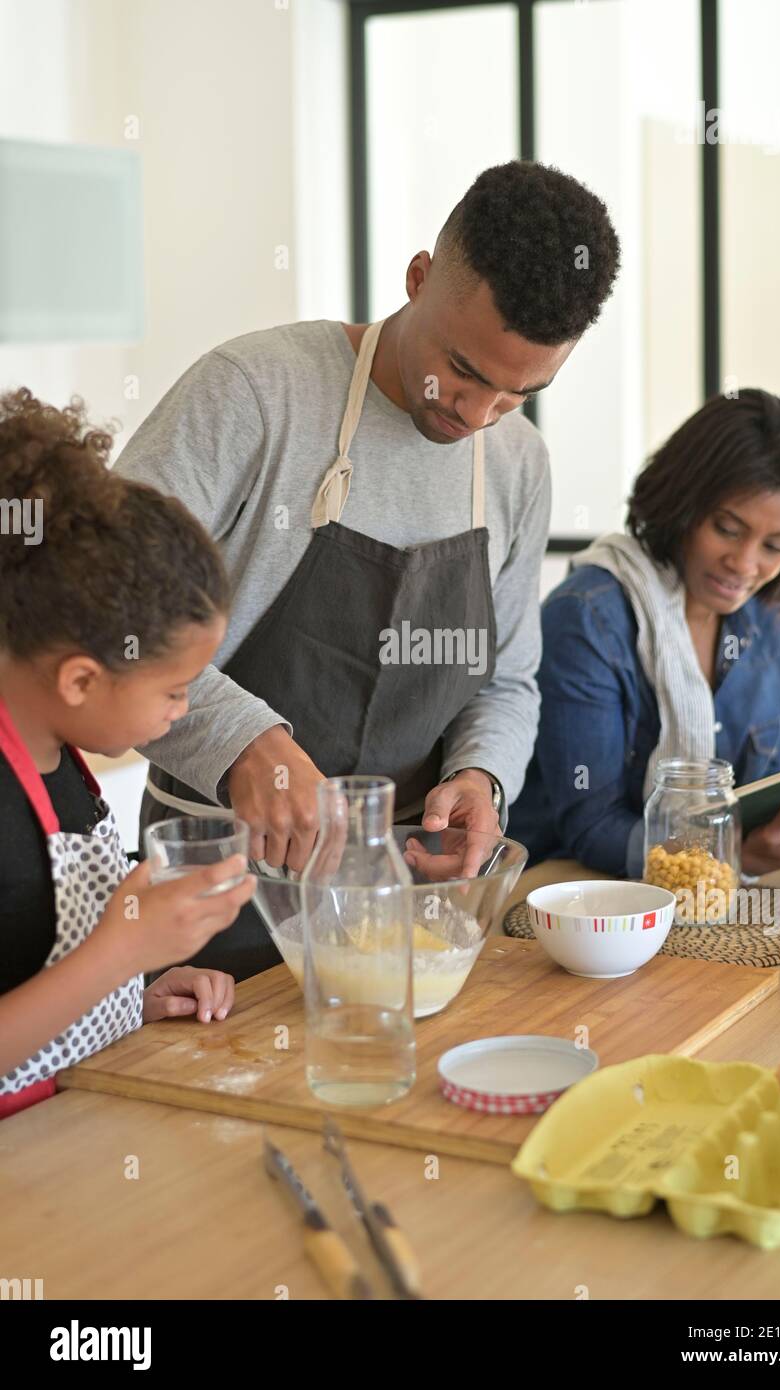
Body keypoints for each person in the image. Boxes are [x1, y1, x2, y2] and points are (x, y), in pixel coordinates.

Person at [114, 159, 621, 979]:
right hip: (214, 889)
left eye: (516, 395)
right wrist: (246, 742)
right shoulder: (253, 394)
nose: (476, 414)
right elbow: (104, 613)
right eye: (463, 371)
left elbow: (509, 679)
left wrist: (482, 777)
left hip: (405, 899)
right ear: (418, 277)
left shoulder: (518, 466)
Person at [0, 390, 255, 1119]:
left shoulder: (63, 758)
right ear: (81, 678)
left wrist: (128, 1000)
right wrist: (119, 954)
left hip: (68, 1129)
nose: (183, 711)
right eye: (175, 690)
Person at [509, 389, 780, 879]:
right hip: (574, 889)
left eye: (774, 546)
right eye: (727, 528)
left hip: (720, 890)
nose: (744, 565)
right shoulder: (587, 619)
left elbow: (770, 787)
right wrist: (726, 855)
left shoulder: (771, 618)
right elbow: (591, 827)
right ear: (683, 503)